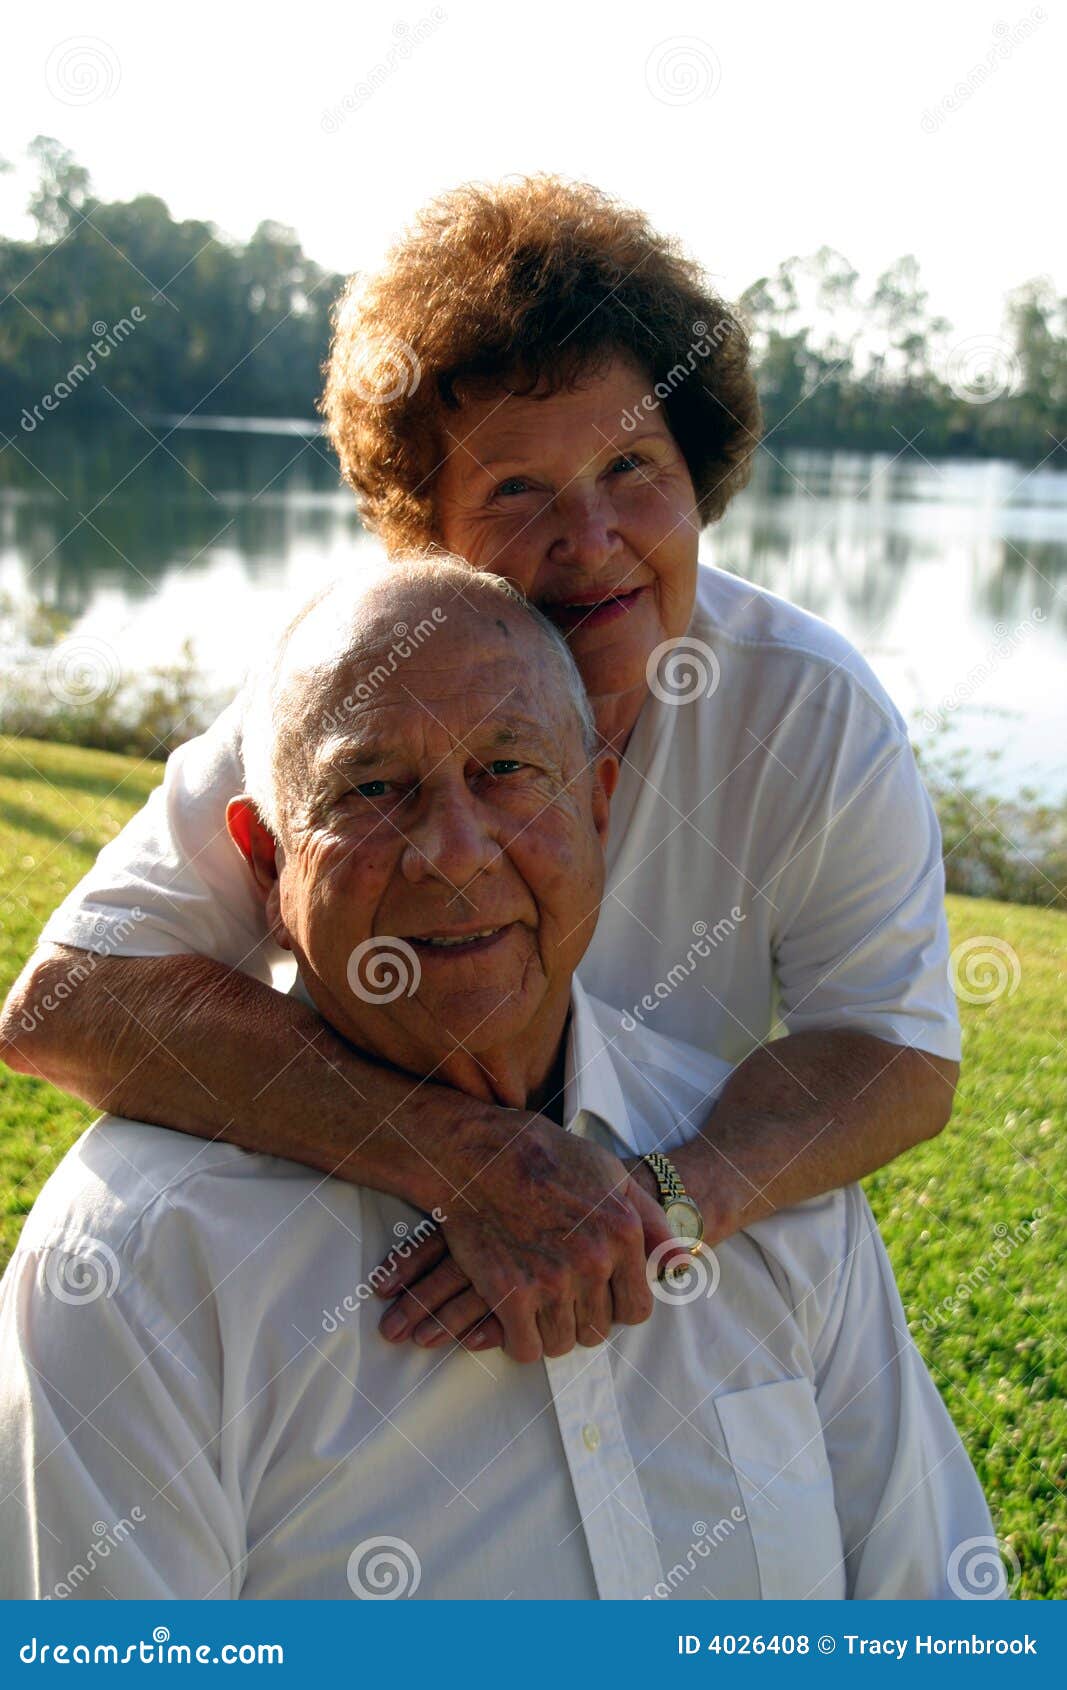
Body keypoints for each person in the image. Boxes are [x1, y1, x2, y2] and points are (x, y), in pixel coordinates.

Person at [0, 177, 961, 1364]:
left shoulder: (804, 705)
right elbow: (68, 1005)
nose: (591, 539)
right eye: (516, 490)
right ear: (424, 527)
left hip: (649, 1299)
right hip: (370, 1283)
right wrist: (460, 1160)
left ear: (694, 470)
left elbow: (895, 1051)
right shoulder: (345, 694)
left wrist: (655, 1200)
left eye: (631, 468)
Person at [0, 563, 995, 1601]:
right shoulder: (136, 1264)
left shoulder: (777, 1187)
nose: (455, 852)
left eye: (509, 770)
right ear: (263, 864)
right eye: (370, 789)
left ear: (599, 807)